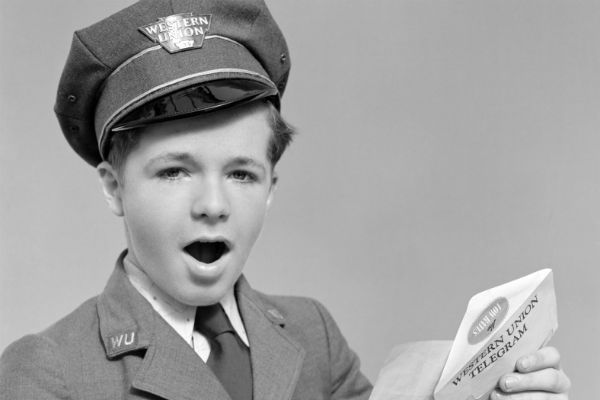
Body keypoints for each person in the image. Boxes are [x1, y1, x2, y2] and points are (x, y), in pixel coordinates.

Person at [0, 1, 570, 399]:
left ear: (271, 188)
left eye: (242, 174)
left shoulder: (309, 333)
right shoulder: (49, 372)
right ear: (113, 187)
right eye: (174, 171)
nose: (213, 204)